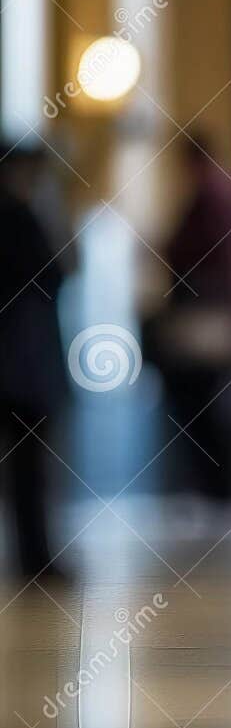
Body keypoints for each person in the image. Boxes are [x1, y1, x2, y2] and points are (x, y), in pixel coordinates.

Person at [147, 131, 231, 502]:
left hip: (206, 319)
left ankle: (217, 488)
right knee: (209, 407)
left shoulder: (210, 197)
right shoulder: (226, 194)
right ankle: (219, 488)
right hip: (220, 316)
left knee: (200, 407)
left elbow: (188, 254)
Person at [0, 140, 69, 582]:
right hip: (21, 366)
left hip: (17, 364)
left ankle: (35, 555)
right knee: (29, 466)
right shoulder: (19, 218)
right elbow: (55, 275)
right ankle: (35, 557)